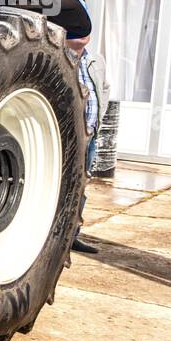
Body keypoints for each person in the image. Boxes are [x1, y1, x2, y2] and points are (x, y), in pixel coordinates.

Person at [67, 34, 110, 254]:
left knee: (81, 185)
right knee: (62, 184)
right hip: (67, 136)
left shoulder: (97, 61)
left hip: (90, 136)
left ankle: (72, 236)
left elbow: (104, 88)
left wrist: (97, 121)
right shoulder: (61, 58)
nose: (82, 34)